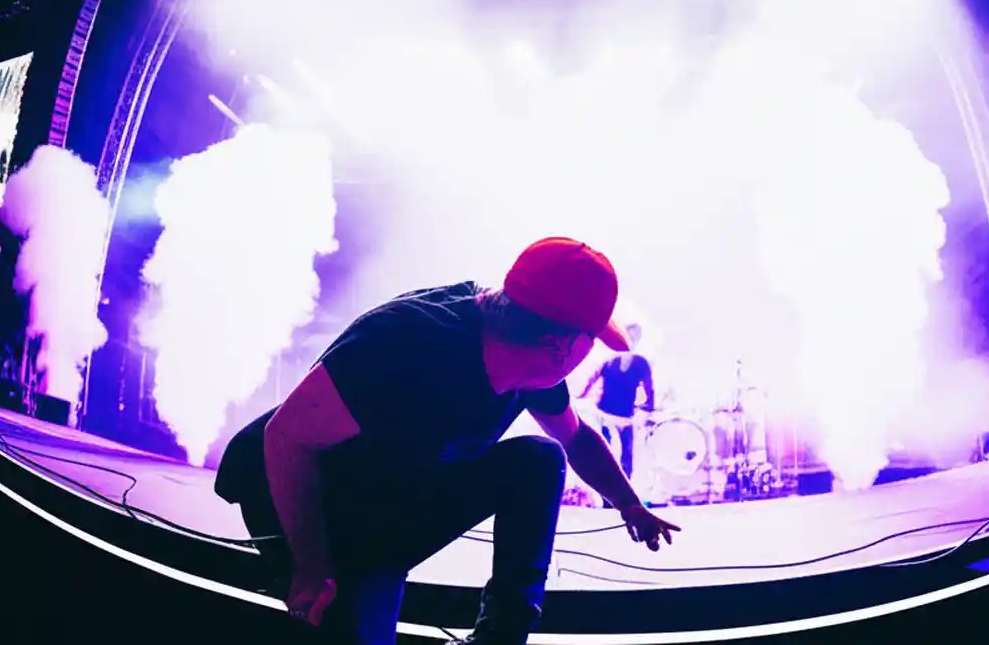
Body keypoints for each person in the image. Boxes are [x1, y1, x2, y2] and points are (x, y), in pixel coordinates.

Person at [214, 237, 680, 645]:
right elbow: (287, 440)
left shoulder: (533, 365)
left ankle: (499, 637)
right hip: (306, 499)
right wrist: (312, 567)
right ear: (563, 346)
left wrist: (629, 504)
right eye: (592, 341)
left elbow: (576, 440)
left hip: (392, 487)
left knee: (539, 459)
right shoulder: (406, 343)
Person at [579, 323, 655, 479]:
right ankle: (604, 490)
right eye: (628, 335)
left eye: (635, 337)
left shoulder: (641, 363)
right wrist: (580, 397)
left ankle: (625, 491)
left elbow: (649, 390)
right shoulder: (609, 362)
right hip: (604, 414)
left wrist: (646, 411)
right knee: (605, 450)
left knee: (626, 454)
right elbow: (591, 380)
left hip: (626, 416)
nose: (631, 340)